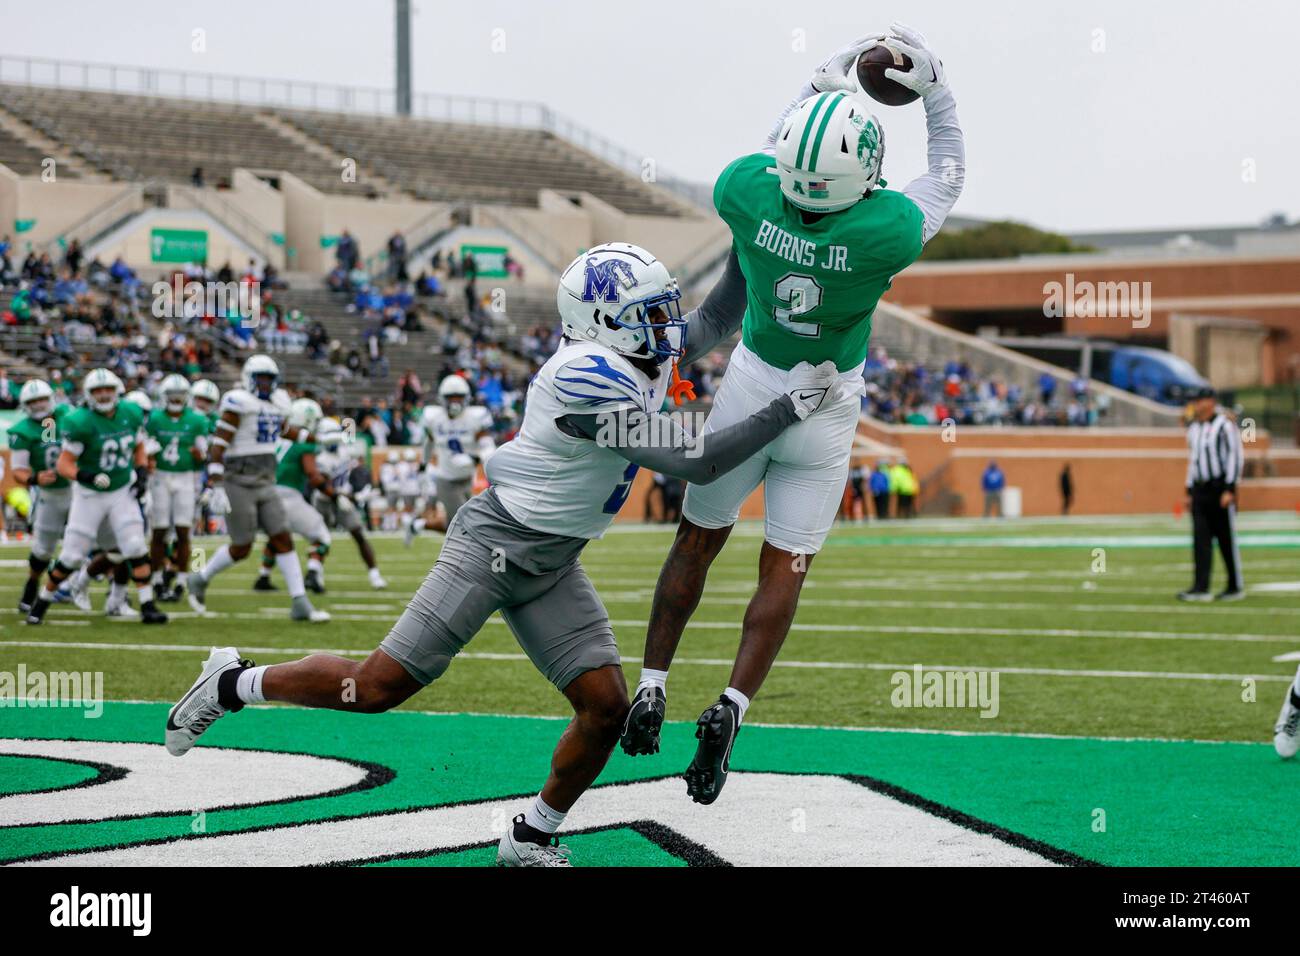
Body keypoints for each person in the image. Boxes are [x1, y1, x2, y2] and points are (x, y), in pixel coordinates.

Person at [163, 241, 843, 867]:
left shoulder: (638, 348)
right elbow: (695, 459)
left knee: (605, 707)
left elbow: (720, 313)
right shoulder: (585, 375)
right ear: (603, 320)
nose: (667, 324)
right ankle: (233, 681)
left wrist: (753, 230)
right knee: (376, 688)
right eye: (648, 312)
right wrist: (791, 406)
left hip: (553, 558)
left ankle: (531, 836)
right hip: (496, 540)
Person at [618, 22, 963, 804]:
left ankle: (652, 684)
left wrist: (821, 81)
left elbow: (771, 150)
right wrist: (936, 89)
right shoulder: (884, 233)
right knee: (786, 566)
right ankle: (732, 707)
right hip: (828, 404)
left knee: (695, 542)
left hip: (749, 388)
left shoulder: (745, 195)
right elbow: (947, 170)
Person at [184, 355, 329, 622]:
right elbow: (219, 445)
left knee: (282, 537)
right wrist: (215, 484)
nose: (264, 383)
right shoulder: (239, 402)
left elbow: (284, 430)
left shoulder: (278, 403)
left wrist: (319, 438)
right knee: (242, 547)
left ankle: (300, 602)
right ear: (250, 379)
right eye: (260, 378)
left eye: (268, 378)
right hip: (239, 480)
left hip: (266, 479)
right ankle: (200, 578)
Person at [25, 369, 166, 625]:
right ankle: (42, 601)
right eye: (98, 391)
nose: (103, 395)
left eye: (108, 390)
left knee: (134, 545)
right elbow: (64, 464)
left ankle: (147, 605)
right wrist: (86, 476)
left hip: (121, 490)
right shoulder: (80, 421)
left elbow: (138, 446)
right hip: (89, 494)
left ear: (117, 390)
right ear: (89, 395)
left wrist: (142, 471)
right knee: (72, 556)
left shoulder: (131, 412)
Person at [404, 375, 495, 542]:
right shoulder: (434, 418)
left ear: (466, 398)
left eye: (458, 397)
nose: (455, 402)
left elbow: (489, 446)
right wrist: (423, 466)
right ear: (442, 399)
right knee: (463, 524)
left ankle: (418, 525)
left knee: (457, 523)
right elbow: (429, 442)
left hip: (467, 478)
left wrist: (475, 458)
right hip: (446, 479)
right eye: (450, 398)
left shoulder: (475, 417)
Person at [9, 380, 72, 613]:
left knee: (85, 542)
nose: (38, 404)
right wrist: (34, 479)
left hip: (78, 490)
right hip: (49, 494)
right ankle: (32, 582)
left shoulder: (68, 415)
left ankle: (69, 585)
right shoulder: (22, 430)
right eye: (33, 401)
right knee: (43, 549)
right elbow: (18, 471)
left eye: (42, 399)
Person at [145, 374, 209, 602]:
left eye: (179, 395)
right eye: (172, 395)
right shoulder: (154, 419)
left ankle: (181, 580)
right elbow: (145, 448)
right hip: (161, 477)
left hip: (185, 478)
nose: (175, 399)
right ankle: (157, 579)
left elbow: (204, 458)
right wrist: (149, 459)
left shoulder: (198, 420)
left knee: (183, 530)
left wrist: (199, 456)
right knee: (159, 530)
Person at [1177, 386, 1244, 602]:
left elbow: (1235, 456)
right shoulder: (1194, 428)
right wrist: (1188, 490)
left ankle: (1234, 586)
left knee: (1226, 540)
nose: (1195, 405)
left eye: (1198, 400)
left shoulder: (1225, 425)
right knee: (1200, 539)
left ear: (1210, 402)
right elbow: (1193, 461)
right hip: (1200, 490)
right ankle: (1201, 587)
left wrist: (1229, 488)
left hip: (1219, 489)